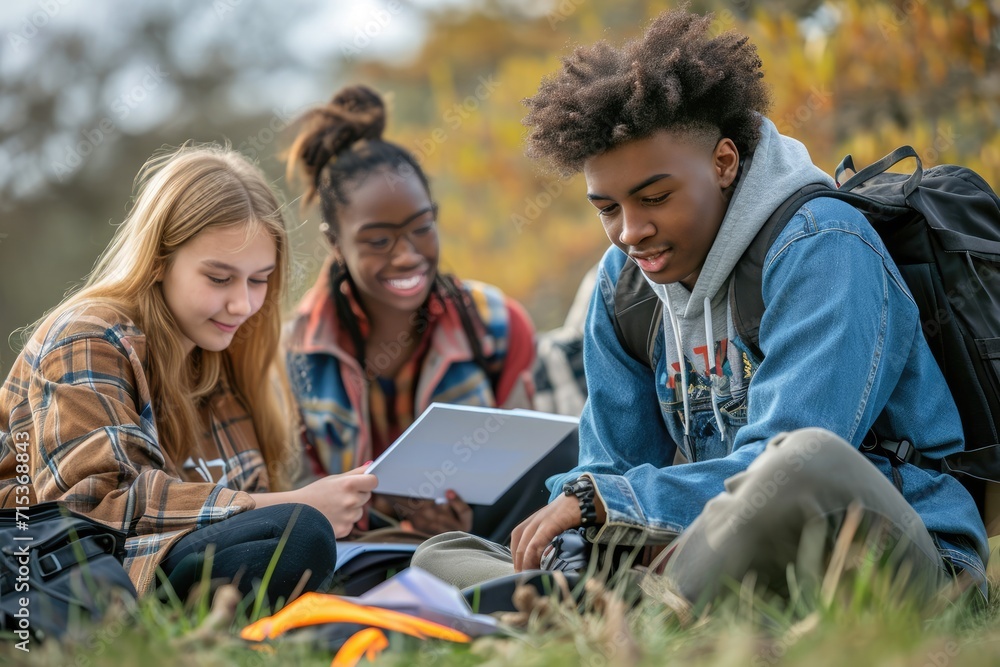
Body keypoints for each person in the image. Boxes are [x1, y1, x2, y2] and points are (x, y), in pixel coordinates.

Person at [412, 9, 989, 608]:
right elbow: (609, 465)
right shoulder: (623, 284)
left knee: (798, 464)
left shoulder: (823, 244)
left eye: (655, 197)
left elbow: (788, 459)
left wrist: (612, 504)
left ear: (724, 163)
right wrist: (579, 521)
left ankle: (610, 605)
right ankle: (611, 598)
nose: (630, 232)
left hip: (892, 547)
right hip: (711, 541)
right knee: (439, 555)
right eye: (607, 208)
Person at [0, 144, 377, 603]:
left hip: (170, 555)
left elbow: (243, 514)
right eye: (219, 278)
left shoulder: (223, 352)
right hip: (54, 568)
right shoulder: (87, 337)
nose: (242, 304)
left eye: (259, 280)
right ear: (159, 259)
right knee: (300, 533)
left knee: (348, 547)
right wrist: (297, 505)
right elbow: (92, 508)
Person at [283, 85, 576, 543]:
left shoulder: (496, 324)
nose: (407, 256)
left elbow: (522, 470)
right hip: (353, 552)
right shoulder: (294, 353)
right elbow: (298, 494)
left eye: (421, 228)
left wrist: (461, 518)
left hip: (484, 540)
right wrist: (396, 521)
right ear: (334, 243)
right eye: (378, 240)